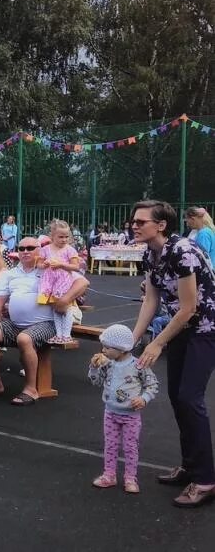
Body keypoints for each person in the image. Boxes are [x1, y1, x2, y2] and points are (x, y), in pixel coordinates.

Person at [130, 200, 215, 508]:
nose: (134, 226)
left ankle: (205, 480)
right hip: (181, 328)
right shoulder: (149, 254)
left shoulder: (183, 251)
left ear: (161, 225)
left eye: (141, 222)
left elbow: (189, 307)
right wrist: (132, 340)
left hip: (206, 328)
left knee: (190, 398)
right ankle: (190, 466)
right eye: (133, 221)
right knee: (178, 398)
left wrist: (157, 343)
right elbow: (151, 300)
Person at [0, 237, 89, 405]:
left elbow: (83, 282)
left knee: (24, 339)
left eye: (30, 248)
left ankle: (31, 389)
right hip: (15, 324)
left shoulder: (51, 268)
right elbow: (0, 298)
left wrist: (65, 299)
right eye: (21, 248)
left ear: (39, 250)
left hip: (47, 323)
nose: (25, 251)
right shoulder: (11, 273)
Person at [89, 324, 159, 494]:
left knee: (130, 447)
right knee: (110, 445)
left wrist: (143, 398)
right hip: (110, 413)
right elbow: (96, 382)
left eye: (107, 347)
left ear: (121, 349)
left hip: (131, 416)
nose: (103, 350)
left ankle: (130, 478)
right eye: (103, 347)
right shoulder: (107, 364)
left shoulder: (138, 365)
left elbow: (152, 384)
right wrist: (93, 367)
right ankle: (109, 475)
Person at [37, 220, 82, 344]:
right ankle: (59, 334)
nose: (64, 239)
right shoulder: (45, 249)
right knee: (55, 308)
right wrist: (44, 264)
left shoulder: (70, 250)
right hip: (50, 282)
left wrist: (61, 264)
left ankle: (66, 334)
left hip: (64, 281)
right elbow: (39, 264)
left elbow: (76, 267)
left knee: (66, 308)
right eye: (61, 237)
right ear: (52, 236)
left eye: (66, 237)